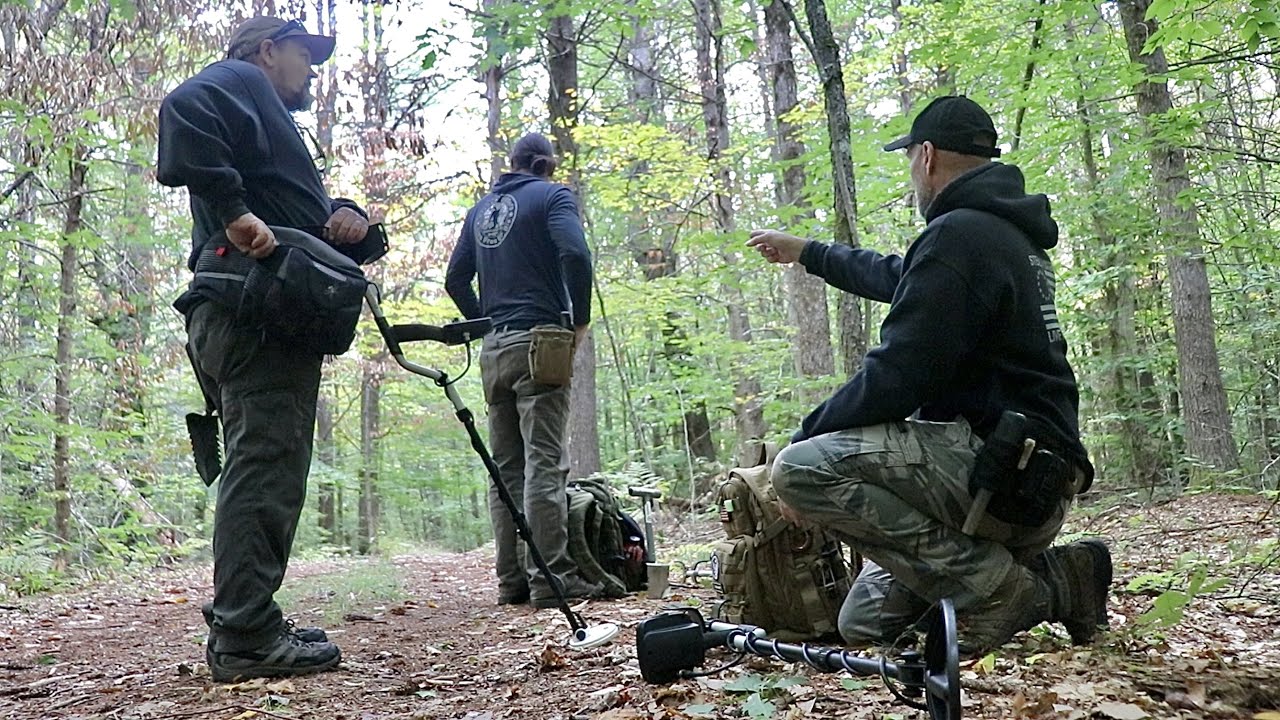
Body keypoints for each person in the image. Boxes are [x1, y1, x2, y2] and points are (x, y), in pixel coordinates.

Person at [747, 95, 1112, 655]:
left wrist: (797, 446)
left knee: (801, 470)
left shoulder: (961, 235)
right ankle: (1060, 583)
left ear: (927, 155)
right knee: (866, 624)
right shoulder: (1001, 236)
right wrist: (810, 253)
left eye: (910, 162)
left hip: (999, 478)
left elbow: (898, 375)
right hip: (1030, 484)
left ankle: (997, 589)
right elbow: (902, 275)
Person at [157, 16, 370, 681]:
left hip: (259, 320)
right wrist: (232, 209)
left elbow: (297, 212)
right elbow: (181, 107)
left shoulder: (262, 116)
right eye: (306, 56)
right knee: (267, 469)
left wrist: (350, 217)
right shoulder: (241, 79)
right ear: (268, 50)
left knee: (267, 467)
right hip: (253, 322)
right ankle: (246, 636)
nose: (312, 70)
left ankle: (248, 616)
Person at [445, 133, 602, 609]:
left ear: (511, 165)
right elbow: (575, 254)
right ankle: (552, 579)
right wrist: (578, 320)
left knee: (506, 467)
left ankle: (510, 580)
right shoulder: (553, 196)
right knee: (545, 462)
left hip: (494, 348)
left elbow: (455, 278)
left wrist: (485, 322)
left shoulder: (480, 211)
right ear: (544, 165)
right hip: (540, 342)